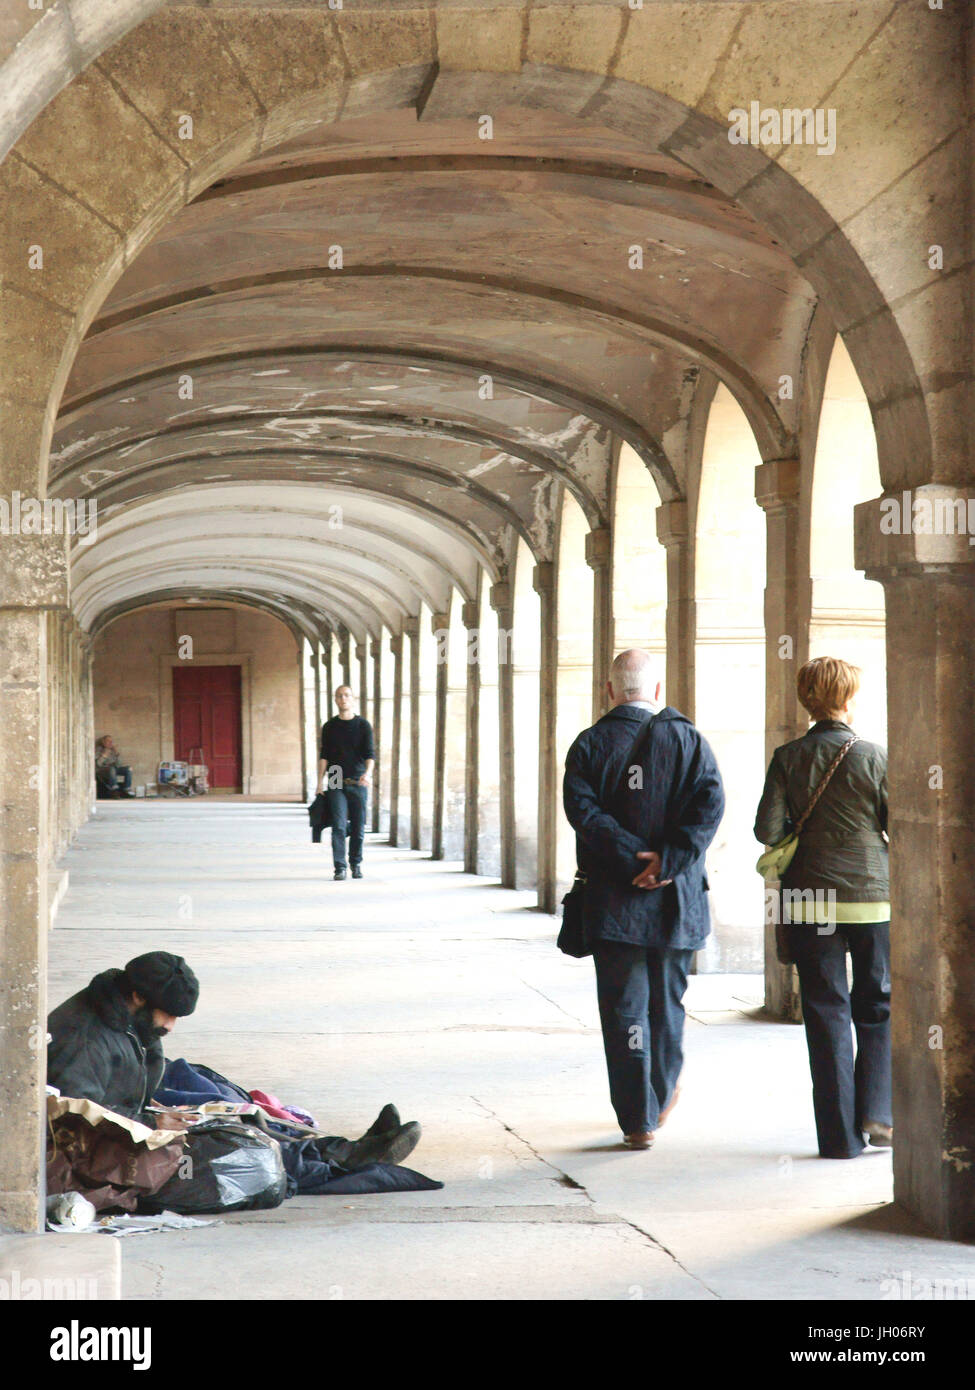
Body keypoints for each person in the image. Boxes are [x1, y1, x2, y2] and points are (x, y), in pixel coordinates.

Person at [563, 650, 725, 1150]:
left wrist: (633, 860)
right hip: (675, 903)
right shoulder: (688, 739)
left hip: (614, 904)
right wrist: (667, 861)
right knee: (667, 1005)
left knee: (624, 1010)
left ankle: (637, 1120)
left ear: (609, 691)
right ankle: (659, 1096)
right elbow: (710, 803)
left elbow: (583, 814)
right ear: (657, 691)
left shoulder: (588, 745)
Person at [754, 656, 891, 1160]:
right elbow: (898, 821)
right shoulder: (875, 756)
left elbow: (767, 830)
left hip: (810, 897)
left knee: (825, 1008)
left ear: (806, 700)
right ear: (850, 698)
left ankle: (838, 1138)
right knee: (877, 1003)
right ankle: (878, 1111)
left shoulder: (787, 756)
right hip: (872, 895)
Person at [47, 951, 200, 1122]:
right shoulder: (87, 1041)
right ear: (139, 997)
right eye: (167, 1014)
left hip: (128, 1118)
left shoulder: (132, 1015)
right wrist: (151, 1123)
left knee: (221, 1107)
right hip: (86, 1139)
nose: (170, 1026)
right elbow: (75, 1116)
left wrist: (153, 1108)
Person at [317, 685, 375, 881]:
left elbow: (370, 755)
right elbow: (324, 756)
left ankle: (356, 863)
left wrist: (367, 774)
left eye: (347, 695)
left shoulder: (363, 726)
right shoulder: (329, 727)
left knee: (358, 828)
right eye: (339, 696)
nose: (343, 699)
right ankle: (339, 867)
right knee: (339, 826)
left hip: (358, 778)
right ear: (335, 700)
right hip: (335, 776)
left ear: (353, 698)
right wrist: (319, 782)